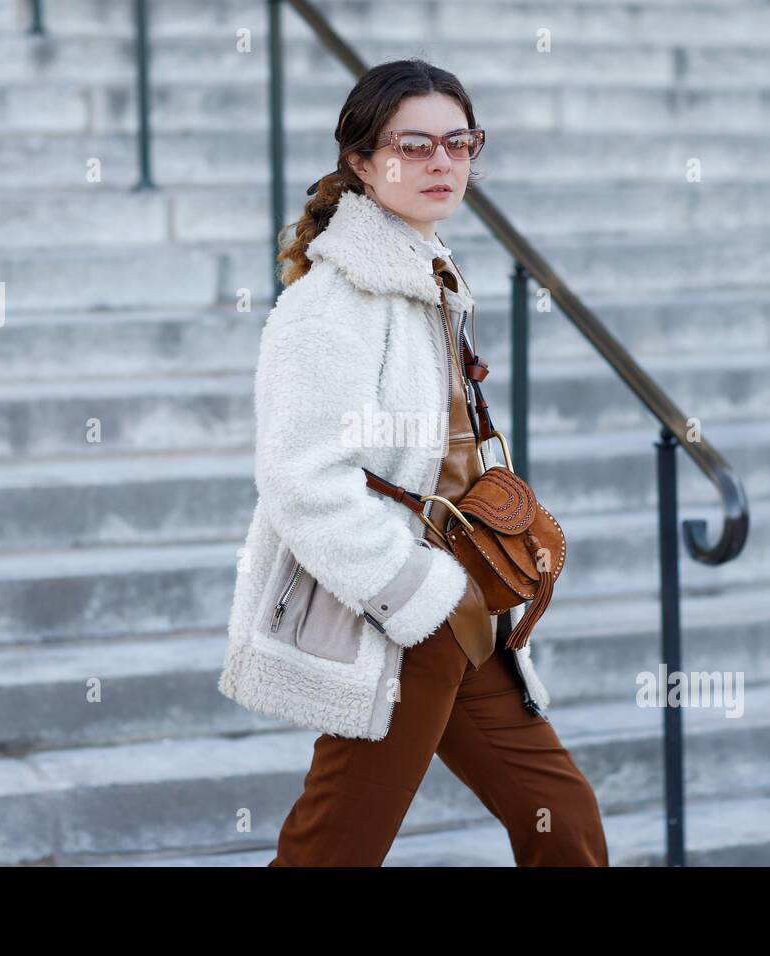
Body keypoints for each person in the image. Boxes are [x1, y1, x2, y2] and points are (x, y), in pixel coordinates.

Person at [218, 58, 608, 866]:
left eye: (459, 143)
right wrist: (420, 594)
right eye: (416, 145)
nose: (442, 163)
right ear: (362, 162)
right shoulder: (329, 305)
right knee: (334, 849)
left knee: (561, 819)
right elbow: (300, 479)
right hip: (402, 617)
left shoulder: (433, 275)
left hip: (466, 606)